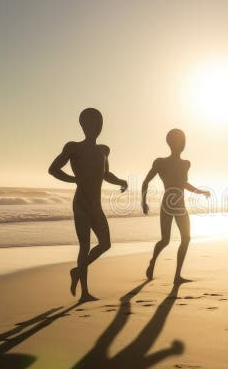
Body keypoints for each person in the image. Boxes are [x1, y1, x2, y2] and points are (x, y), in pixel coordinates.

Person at [49, 108, 127, 302]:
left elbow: (106, 174)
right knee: (84, 246)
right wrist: (74, 180)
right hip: (81, 204)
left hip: (96, 206)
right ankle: (84, 292)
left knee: (106, 243)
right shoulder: (73, 147)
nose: (96, 127)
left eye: (99, 124)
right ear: (83, 126)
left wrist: (120, 182)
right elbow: (53, 169)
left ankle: (77, 271)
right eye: (91, 124)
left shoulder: (103, 150)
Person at [142, 129, 210, 283]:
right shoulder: (160, 162)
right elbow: (146, 181)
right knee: (165, 240)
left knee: (186, 238)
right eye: (175, 141)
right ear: (169, 143)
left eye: (181, 141)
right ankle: (153, 262)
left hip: (181, 205)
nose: (178, 144)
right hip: (167, 204)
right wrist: (143, 201)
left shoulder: (185, 164)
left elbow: (183, 184)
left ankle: (177, 276)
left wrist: (200, 192)